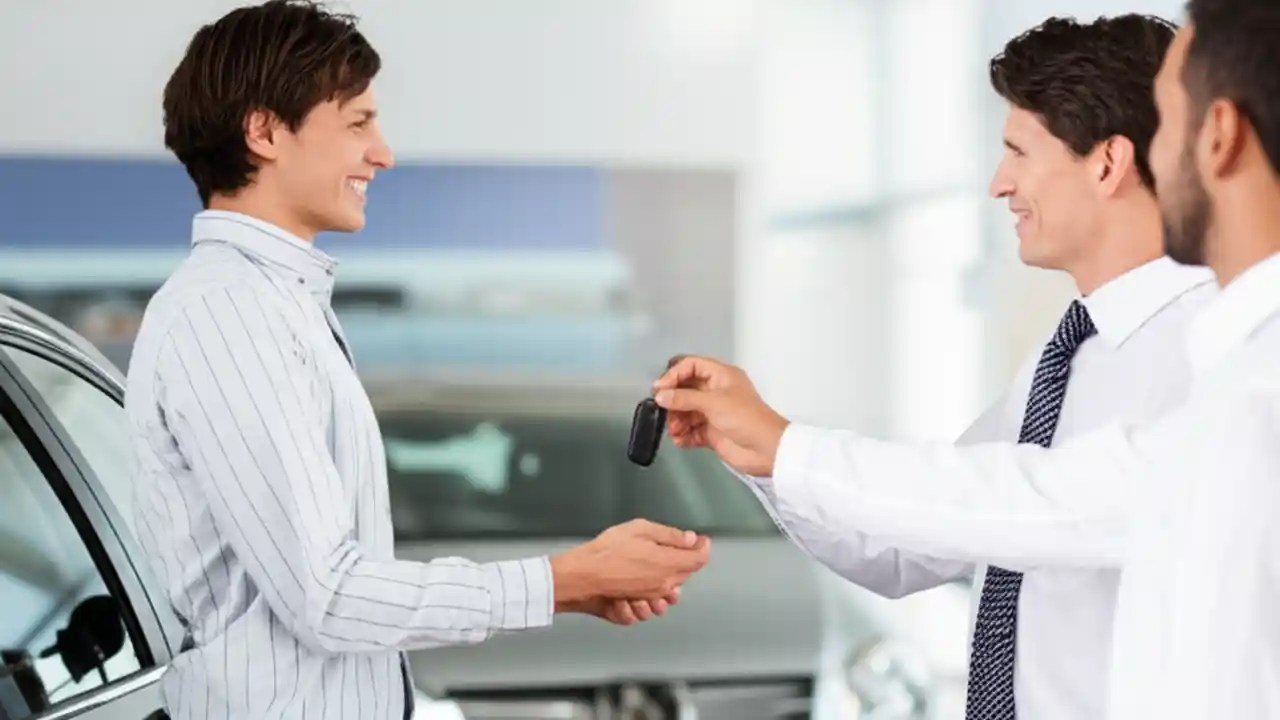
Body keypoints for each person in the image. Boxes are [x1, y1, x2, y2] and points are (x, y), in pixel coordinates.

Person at [652, 1, 1280, 718]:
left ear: (1110, 161)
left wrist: (791, 446)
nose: (998, 184)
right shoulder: (1069, 354)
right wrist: (759, 451)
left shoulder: (1223, 360)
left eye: (1018, 152)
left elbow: (1043, 500)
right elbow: (906, 543)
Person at [125, 2, 709, 718]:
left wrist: (574, 585)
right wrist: (562, 580)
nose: (384, 152)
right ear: (265, 130)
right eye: (358, 123)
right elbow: (328, 597)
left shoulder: (277, 305)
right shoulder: (229, 314)